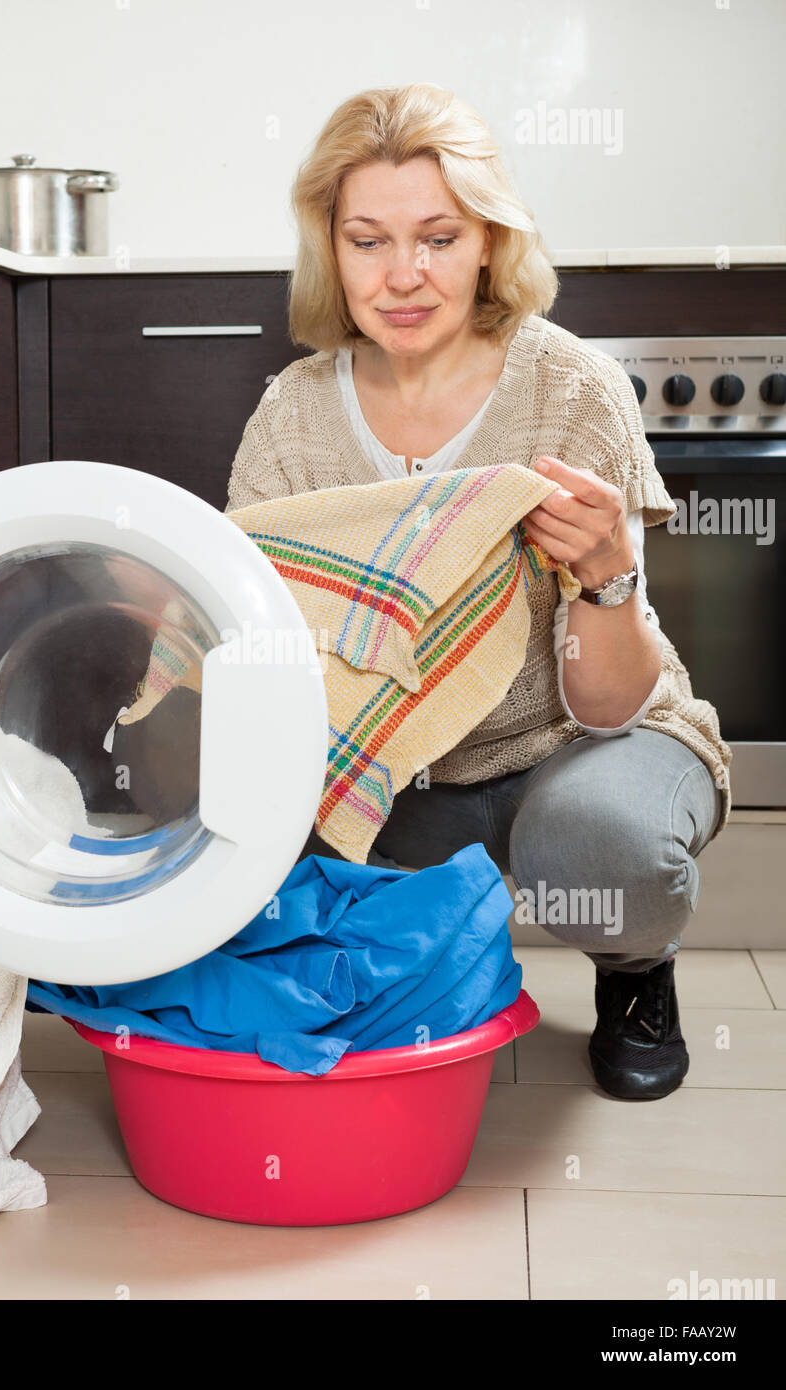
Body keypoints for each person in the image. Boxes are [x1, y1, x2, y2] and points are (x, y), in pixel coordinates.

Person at [225, 83, 731, 1102]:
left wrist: (603, 574)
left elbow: (612, 701)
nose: (402, 275)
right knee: (254, 869)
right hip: (397, 766)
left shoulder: (571, 389)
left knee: (595, 848)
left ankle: (636, 971)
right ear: (332, 247)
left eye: (438, 237)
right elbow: (252, 646)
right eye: (367, 240)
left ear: (489, 242)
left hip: (580, 743)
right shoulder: (292, 418)